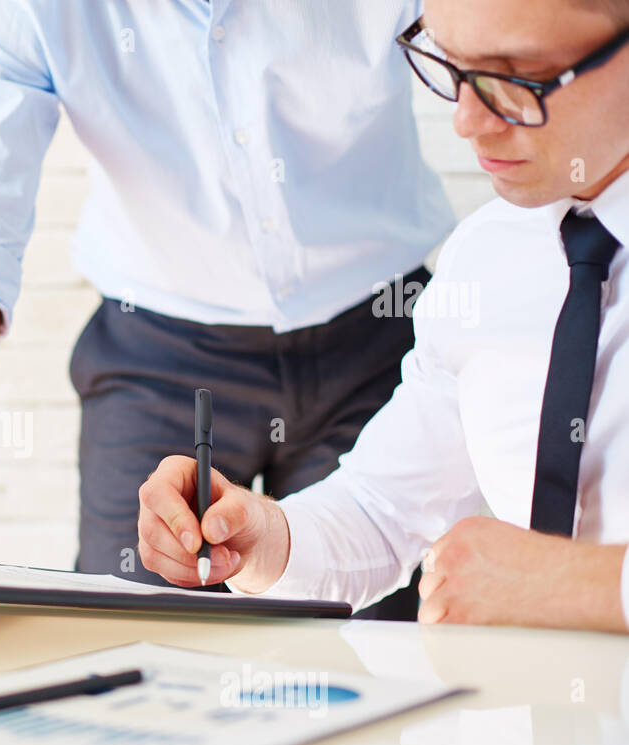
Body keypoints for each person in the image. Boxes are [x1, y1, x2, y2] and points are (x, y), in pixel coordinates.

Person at [0, 0, 456, 620]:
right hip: (159, 357)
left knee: (374, 654)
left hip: (385, 342)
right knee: (130, 650)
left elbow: (517, 59)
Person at [137, 0, 629, 633]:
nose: (467, 120)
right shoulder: (486, 256)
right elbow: (386, 510)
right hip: (516, 720)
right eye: (452, 66)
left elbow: (550, 585)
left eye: (517, 77)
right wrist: (261, 538)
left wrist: (580, 588)